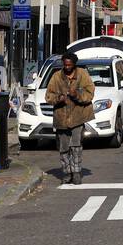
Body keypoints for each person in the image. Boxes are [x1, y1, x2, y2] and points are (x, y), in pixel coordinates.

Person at [45, 52, 95, 185]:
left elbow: (90, 93)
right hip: (61, 118)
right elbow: (48, 96)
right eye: (65, 65)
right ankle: (67, 173)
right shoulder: (56, 76)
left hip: (78, 116)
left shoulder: (83, 74)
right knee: (64, 148)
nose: (67, 67)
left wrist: (77, 94)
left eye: (70, 65)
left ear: (74, 64)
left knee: (76, 146)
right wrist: (59, 98)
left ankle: (76, 172)